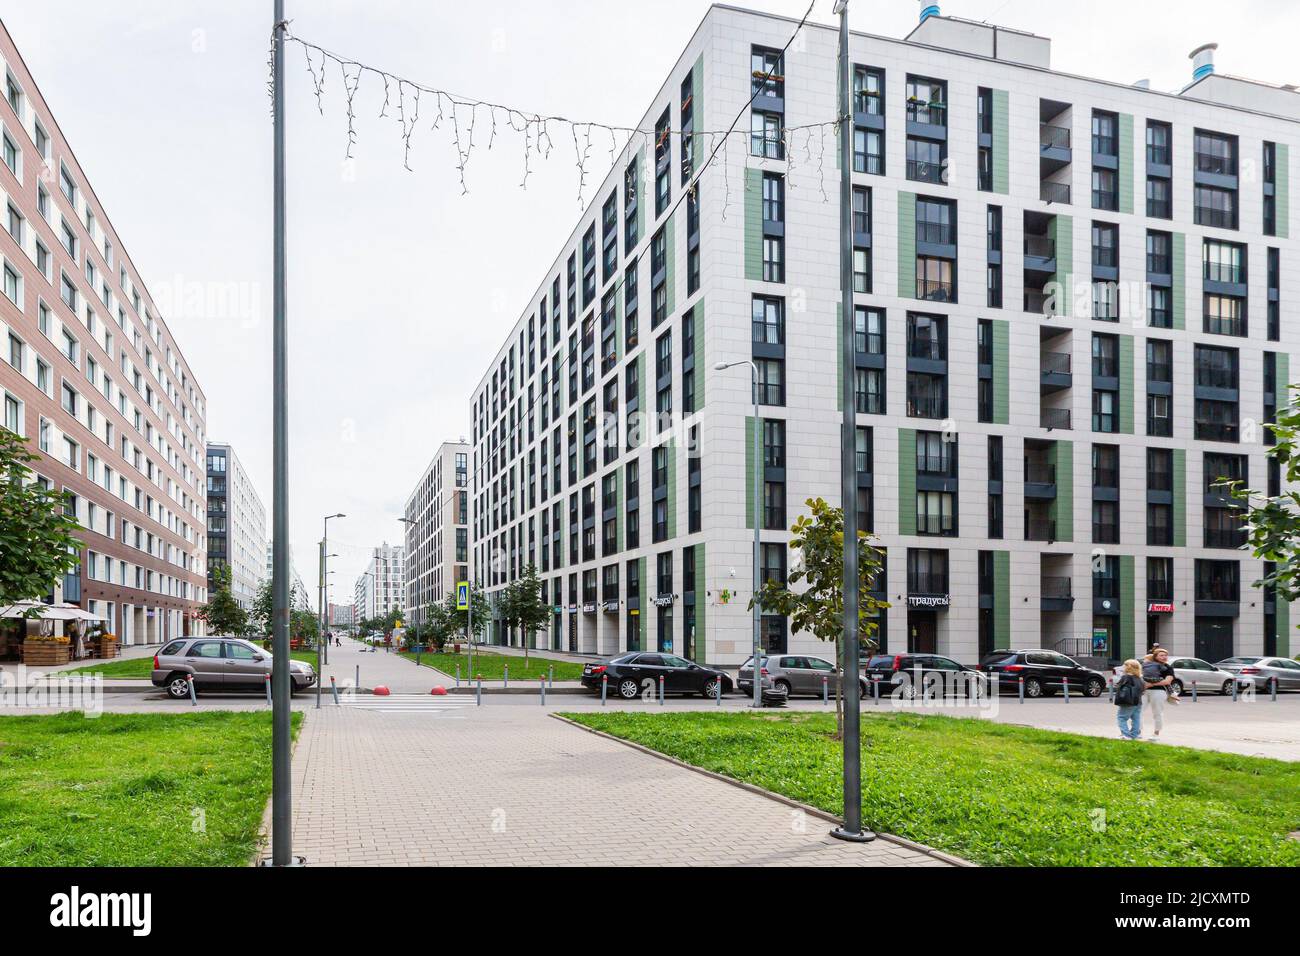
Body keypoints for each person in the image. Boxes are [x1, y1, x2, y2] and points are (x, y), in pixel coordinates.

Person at [1142, 646, 1176, 738]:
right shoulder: (1147, 665)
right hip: (1144, 692)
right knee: (1138, 711)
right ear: (1155, 656)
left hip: (1159, 692)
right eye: (1161, 655)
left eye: (1165, 655)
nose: (1164, 657)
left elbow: (1167, 681)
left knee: (1157, 712)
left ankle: (1156, 733)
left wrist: (1150, 684)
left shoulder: (1168, 668)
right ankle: (1137, 731)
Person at [1113, 659, 1145, 740]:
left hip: (1128, 701)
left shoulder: (1126, 677)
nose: (1123, 667)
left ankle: (1126, 735)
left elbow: (1118, 685)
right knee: (1136, 718)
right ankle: (1135, 735)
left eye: (1124, 665)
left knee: (1121, 718)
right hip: (1138, 701)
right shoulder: (1140, 678)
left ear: (1128, 667)